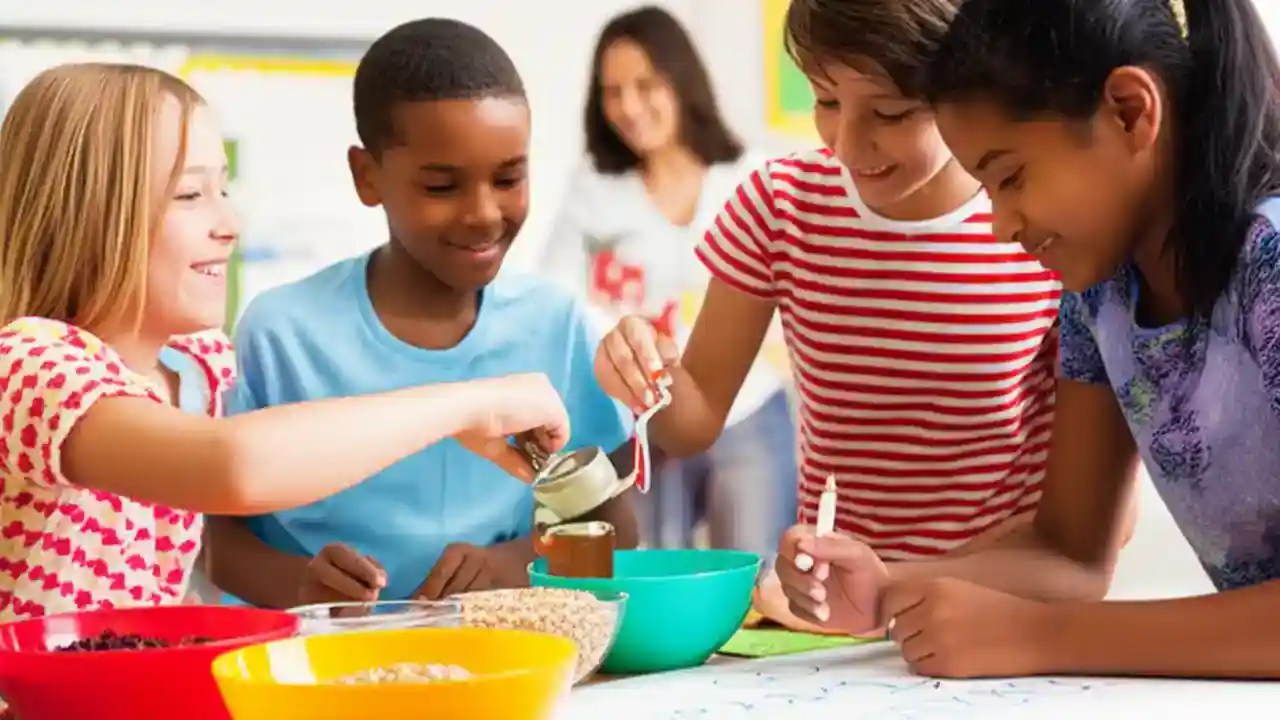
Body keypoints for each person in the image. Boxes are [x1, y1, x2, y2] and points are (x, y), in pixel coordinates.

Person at [777, 0, 1280, 679]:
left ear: (1130, 111)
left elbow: (1054, 612)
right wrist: (890, 586)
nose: (998, 225)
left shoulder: (1269, 264)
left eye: (1010, 177)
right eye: (985, 189)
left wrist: (1042, 637)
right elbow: (1069, 553)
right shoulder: (1098, 295)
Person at [0, 63, 572, 622]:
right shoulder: (28, 366)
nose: (231, 222)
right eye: (190, 195)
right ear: (92, 213)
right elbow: (235, 466)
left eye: (223, 189)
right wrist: (470, 403)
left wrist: (300, 581)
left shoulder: (198, 369)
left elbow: (277, 463)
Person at [595, 0, 1068, 633]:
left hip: (998, 610)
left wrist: (902, 585)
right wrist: (637, 368)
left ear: (967, 86)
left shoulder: (1040, 218)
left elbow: (1083, 537)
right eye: (824, 101)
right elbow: (694, 418)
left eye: (891, 113)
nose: (848, 145)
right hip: (832, 618)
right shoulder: (781, 205)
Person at [205, 19, 637, 610]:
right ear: (368, 176)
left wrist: (514, 563)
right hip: (320, 665)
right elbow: (221, 548)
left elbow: (616, 530)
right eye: (441, 187)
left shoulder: (555, 323)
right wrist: (301, 583)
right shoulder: (282, 332)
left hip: (499, 655)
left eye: (509, 178)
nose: (484, 214)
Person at [544, 5, 797, 565]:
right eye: (612, 92)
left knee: (754, 578)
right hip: (637, 420)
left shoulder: (750, 177)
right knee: (645, 572)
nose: (629, 107)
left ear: (681, 82)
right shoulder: (594, 188)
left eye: (645, 85)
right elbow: (557, 298)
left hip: (746, 408)